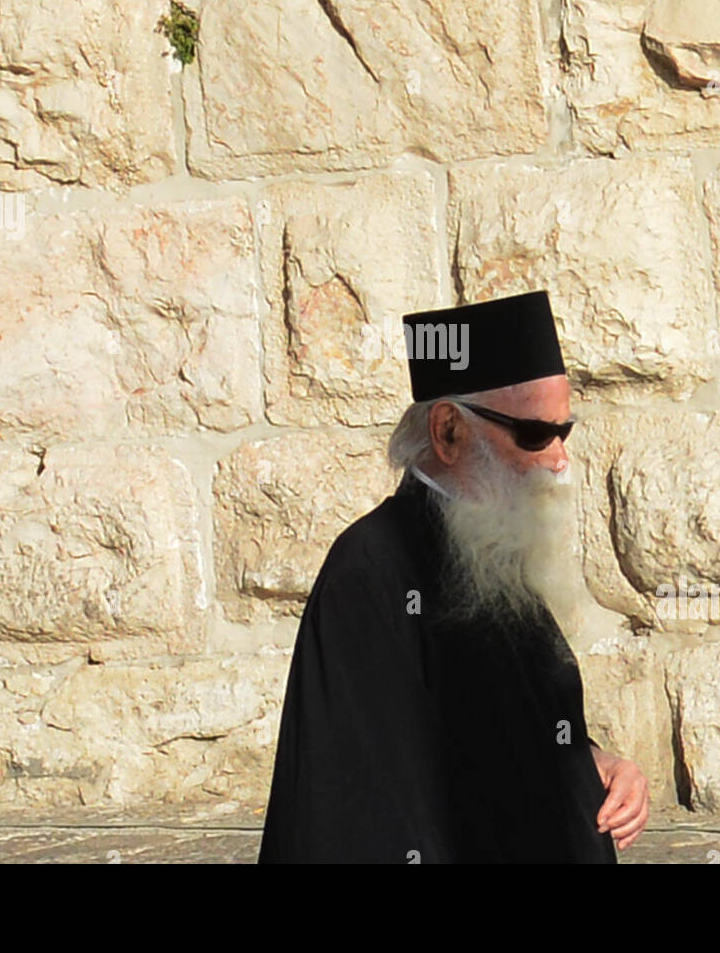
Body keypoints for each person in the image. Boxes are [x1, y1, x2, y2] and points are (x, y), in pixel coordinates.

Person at [257, 290, 649, 862]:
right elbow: (367, 812)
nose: (559, 459)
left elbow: (504, 734)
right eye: (535, 435)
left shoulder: (488, 555)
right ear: (448, 431)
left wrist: (592, 764)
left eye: (565, 432)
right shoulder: (370, 573)